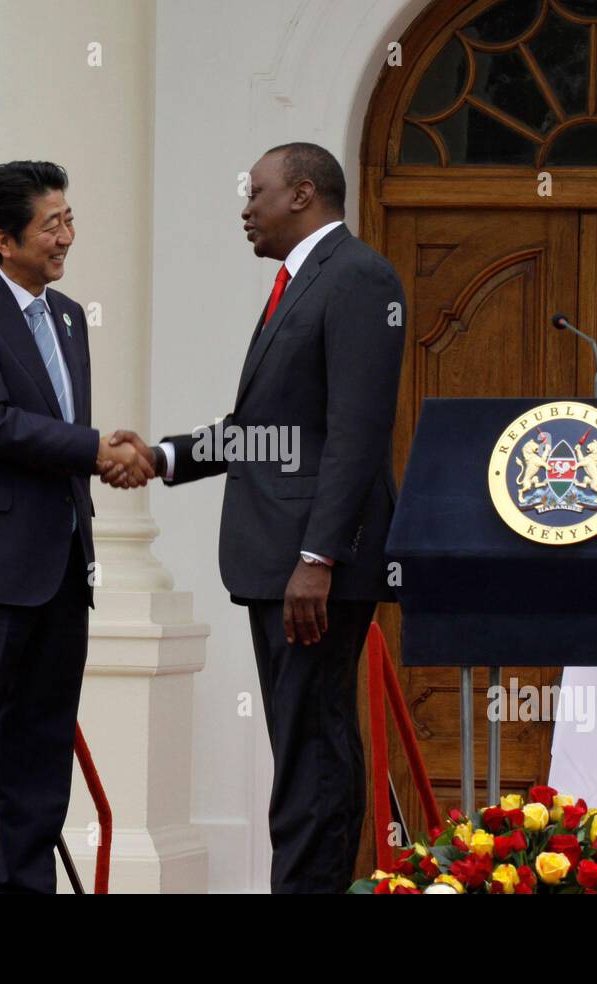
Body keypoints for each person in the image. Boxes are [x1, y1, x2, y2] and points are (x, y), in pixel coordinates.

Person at [108, 143, 406, 892]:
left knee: (313, 747)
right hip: (278, 563)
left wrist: (320, 557)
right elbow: (264, 427)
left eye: (258, 193)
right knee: (301, 743)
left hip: (310, 569)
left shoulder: (359, 279)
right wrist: (165, 456)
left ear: (303, 194)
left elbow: (357, 433)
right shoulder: (299, 285)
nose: (246, 209)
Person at [0, 160, 151, 893]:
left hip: (61, 569)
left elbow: (56, 431)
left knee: (41, 760)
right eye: (52, 224)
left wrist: (104, 455)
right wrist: (94, 450)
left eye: (69, 219)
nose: (67, 237)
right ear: (3, 238)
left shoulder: (70, 317)